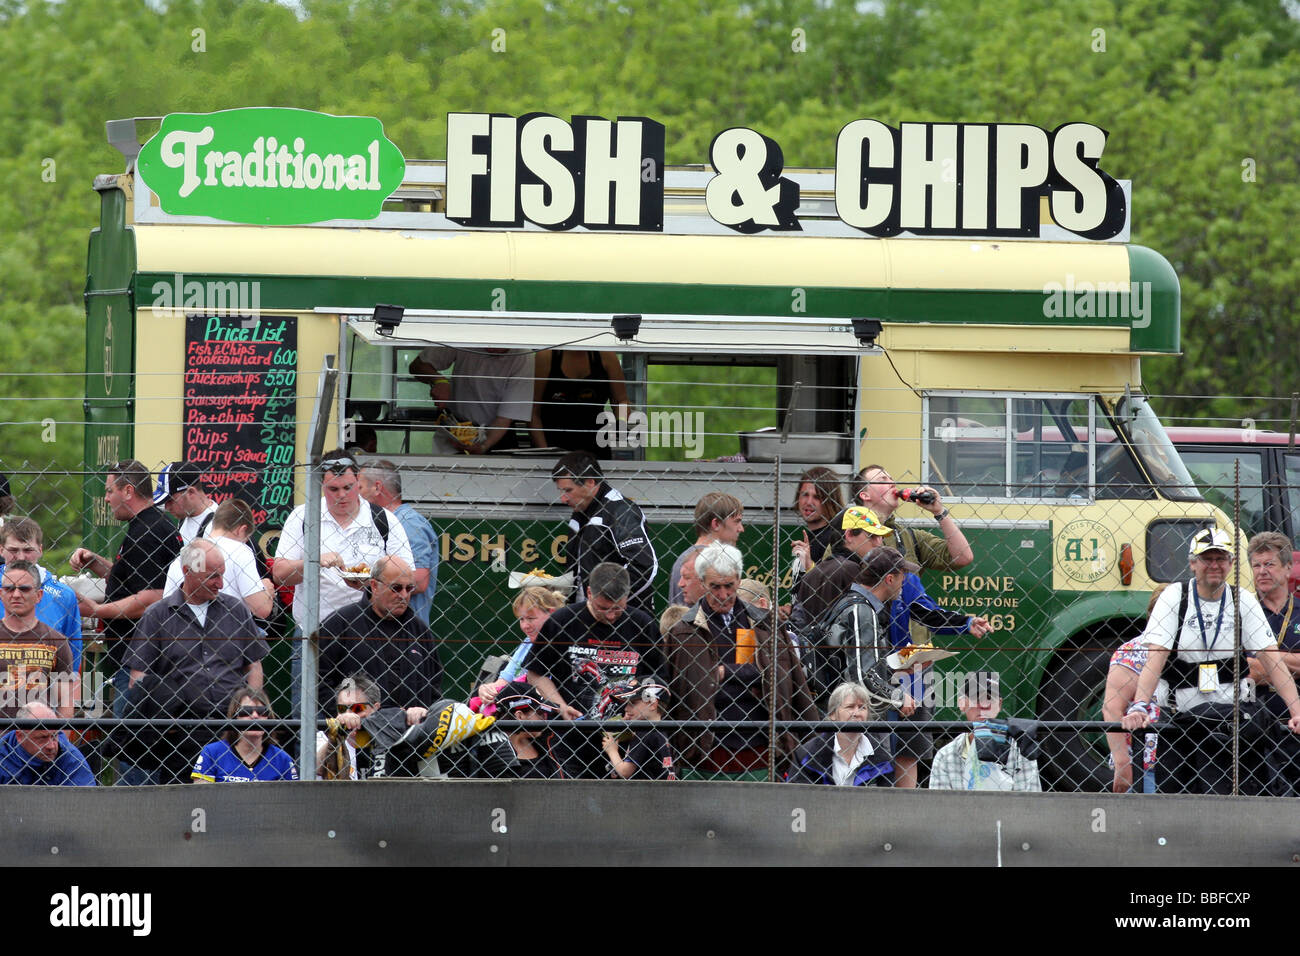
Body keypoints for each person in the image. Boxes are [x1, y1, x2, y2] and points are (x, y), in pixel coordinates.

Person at [1122, 527, 1300, 795]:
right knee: (1174, 797)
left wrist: (1296, 710)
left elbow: (1272, 661)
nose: (1214, 565)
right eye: (1207, 559)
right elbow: (1156, 657)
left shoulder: (1242, 600)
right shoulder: (1174, 597)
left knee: (1227, 797)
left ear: (1230, 564)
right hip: (1178, 717)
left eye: (1221, 558)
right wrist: (1139, 706)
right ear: (1193, 563)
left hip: (1227, 721)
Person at [272, 450, 413, 715]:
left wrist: (374, 585)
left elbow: (408, 575)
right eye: (333, 488)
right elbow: (280, 573)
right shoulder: (303, 517)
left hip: (371, 635)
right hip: (313, 634)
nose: (341, 495)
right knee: (310, 718)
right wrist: (312, 563)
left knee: (371, 716)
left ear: (359, 481)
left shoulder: (383, 520)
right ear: (320, 486)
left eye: (348, 487)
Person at [665, 542, 816, 778]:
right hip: (703, 753)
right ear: (703, 583)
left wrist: (727, 672)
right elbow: (672, 691)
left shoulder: (767, 625)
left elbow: (791, 681)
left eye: (729, 586)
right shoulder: (683, 632)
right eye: (715, 587)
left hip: (761, 749)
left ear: (738, 579)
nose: (723, 595)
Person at [127, 539, 271, 784]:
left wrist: (249, 708)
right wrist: (164, 721)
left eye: (222, 575)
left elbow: (254, 664)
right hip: (182, 732)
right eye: (213, 576)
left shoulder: (236, 610)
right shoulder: (157, 615)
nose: (221, 584)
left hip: (230, 729)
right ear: (187, 572)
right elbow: (138, 678)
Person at [70, 459, 181, 754]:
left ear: (128, 490)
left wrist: (95, 610)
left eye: (109, 491)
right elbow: (131, 582)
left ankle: (133, 801)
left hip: (140, 659)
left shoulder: (148, 533)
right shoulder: (145, 526)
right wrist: (98, 563)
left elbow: (153, 598)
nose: (106, 499)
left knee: (132, 749)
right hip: (137, 653)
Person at [523, 563, 665, 777]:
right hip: (571, 739)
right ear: (589, 592)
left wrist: (640, 699)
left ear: (628, 596)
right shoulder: (563, 621)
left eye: (618, 608)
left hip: (626, 741)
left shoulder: (642, 624)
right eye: (603, 607)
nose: (610, 616)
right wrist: (560, 706)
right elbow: (536, 672)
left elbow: (660, 679)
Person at [317, 556, 443, 716]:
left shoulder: (419, 630)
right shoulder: (340, 624)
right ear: (375, 586)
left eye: (409, 588)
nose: (403, 595)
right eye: (396, 588)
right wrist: (345, 714)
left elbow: (434, 686)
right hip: (358, 730)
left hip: (410, 731)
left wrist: (424, 716)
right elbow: (319, 681)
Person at [551, 451, 657, 616]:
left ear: (590, 482)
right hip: (587, 617)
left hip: (623, 621)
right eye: (560, 491)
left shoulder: (620, 511)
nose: (563, 499)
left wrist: (607, 603)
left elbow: (644, 565)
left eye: (568, 490)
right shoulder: (581, 511)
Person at [1246, 532, 1300, 794]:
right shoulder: (1242, 612)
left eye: (1269, 564)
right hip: (1254, 724)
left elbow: (1256, 667)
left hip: (1295, 722)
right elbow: (1242, 668)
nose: (1262, 571)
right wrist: (1292, 664)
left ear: (1288, 567)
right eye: (1256, 565)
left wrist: (1266, 663)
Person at [1103, 585, 1169, 794]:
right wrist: (1123, 762)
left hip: (1194, 758)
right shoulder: (1133, 651)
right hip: (1147, 763)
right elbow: (1112, 708)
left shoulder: (1195, 648)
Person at [162, 499, 274, 619]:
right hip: (229, 631)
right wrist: (266, 589)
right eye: (246, 538)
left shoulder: (182, 558)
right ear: (241, 530)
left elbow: (167, 609)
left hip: (186, 632)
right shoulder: (240, 551)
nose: (245, 542)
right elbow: (261, 610)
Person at [850, 463, 973, 572]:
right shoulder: (849, 534)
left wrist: (939, 512)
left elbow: (963, 557)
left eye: (892, 479)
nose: (892, 483)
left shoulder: (910, 536)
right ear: (865, 495)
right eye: (883, 479)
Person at [409, 346, 533, 453]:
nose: (490, 348)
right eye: (487, 342)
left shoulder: (523, 356)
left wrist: (483, 446)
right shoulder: (467, 336)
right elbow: (416, 366)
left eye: (498, 344)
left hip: (497, 435)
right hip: (455, 428)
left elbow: (505, 418)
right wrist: (438, 380)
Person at [359, 459, 439, 626]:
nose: (355, 495)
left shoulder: (408, 524)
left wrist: (364, 581)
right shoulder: (378, 521)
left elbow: (419, 580)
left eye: (359, 488)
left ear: (377, 487)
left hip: (405, 631)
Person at [929, 674, 1041, 791]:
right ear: (962, 704)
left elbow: (1030, 803)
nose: (983, 705)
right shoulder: (946, 755)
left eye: (989, 698)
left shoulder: (1020, 750)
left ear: (999, 704)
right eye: (976, 698)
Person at [1, 516, 83, 674]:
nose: (21, 557)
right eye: (13, 550)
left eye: (27, 550)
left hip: (45, 690)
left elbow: (73, 653)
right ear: (1, 550)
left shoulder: (63, 596)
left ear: (40, 549)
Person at [0, 560, 74, 719]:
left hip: (38, 737)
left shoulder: (56, 641)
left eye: (24, 589)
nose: (16, 594)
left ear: (39, 595)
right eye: (9, 588)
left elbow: (65, 702)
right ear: (1, 593)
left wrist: (59, 740)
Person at [475, 586, 567, 711]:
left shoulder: (563, 643)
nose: (525, 626)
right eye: (521, 619)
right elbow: (503, 682)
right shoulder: (528, 642)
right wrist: (486, 689)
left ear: (551, 613)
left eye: (530, 618)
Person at [785, 682, 893, 786]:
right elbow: (796, 799)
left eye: (862, 707)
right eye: (850, 707)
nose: (857, 713)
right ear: (833, 714)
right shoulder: (807, 755)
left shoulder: (883, 759)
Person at [530, 349, 630, 458]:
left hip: (596, 446)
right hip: (553, 446)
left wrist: (621, 425)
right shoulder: (546, 356)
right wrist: (546, 453)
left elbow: (621, 401)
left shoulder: (606, 355)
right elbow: (533, 410)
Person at [192, 686, 297, 783]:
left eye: (261, 711)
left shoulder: (281, 759)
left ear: (268, 717)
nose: (255, 716)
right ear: (234, 716)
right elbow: (201, 798)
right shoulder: (212, 753)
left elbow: (291, 799)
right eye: (246, 711)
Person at [668, 492, 744, 605]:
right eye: (736, 521)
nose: (741, 529)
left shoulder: (689, 556)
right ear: (716, 524)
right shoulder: (698, 560)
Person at [0, 702, 95, 786]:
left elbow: (86, 802)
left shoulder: (70, 756)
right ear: (20, 736)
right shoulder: (3, 753)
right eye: (42, 738)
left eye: (54, 736)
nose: (51, 746)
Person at [601, 677, 677, 780]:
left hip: (647, 792)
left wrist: (612, 750)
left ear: (652, 704)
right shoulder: (658, 730)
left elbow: (625, 771)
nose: (626, 708)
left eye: (633, 703)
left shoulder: (644, 733)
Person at [316, 674, 381, 780]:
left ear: (375, 708)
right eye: (342, 708)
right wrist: (337, 735)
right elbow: (314, 768)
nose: (348, 714)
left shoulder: (385, 737)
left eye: (357, 708)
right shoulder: (322, 738)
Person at [494, 685, 567, 778]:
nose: (545, 718)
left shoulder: (544, 742)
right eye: (540, 713)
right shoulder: (496, 750)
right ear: (520, 716)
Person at [790, 467, 844, 572]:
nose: (809, 502)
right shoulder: (812, 536)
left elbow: (829, 584)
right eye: (805, 495)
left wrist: (809, 565)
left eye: (817, 497)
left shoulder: (834, 540)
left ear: (831, 501)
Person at [154, 461, 218, 545]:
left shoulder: (215, 526)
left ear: (191, 492)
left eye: (170, 501)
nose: (166, 507)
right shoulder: (186, 514)